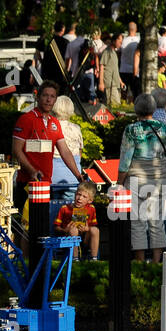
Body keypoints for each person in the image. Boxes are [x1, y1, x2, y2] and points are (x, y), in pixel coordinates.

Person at [118, 92, 166, 262]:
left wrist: (119, 183)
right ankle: (157, 263)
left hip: (137, 178)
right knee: (157, 222)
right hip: (160, 178)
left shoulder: (131, 129)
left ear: (136, 109)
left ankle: (140, 262)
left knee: (137, 222)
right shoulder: (165, 128)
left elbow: (125, 161)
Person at [49, 94, 85, 222]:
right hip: (73, 176)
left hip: (53, 176)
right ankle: (77, 236)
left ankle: (54, 235)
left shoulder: (50, 127)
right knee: (75, 207)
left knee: (54, 209)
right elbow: (79, 154)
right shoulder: (76, 128)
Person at [55, 179, 100, 259]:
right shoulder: (65, 208)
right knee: (73, 230)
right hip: (68, 239)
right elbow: (56, 227)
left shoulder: (91, 208)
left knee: (95, 230)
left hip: (85, 240)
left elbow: (93, 226)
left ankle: (94, 259)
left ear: (90, 200)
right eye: (78, 195)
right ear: (75, 194)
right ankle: (75, 259)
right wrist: (65, 230)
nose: (80, 198)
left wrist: (87, 229)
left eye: (84, 196)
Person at [99, 33, 124, 107]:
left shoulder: (114, 53)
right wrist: (101, 83)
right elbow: (101, 66)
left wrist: (121, 81)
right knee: (115, 104)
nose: (120, 44)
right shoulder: (107, 52)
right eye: (119, 42)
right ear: (114, 41)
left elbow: (115, 69)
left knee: (116, 106)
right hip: (109, 84)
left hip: (116, 83)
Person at [120, 21, 141, 99]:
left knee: (124, 90)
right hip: (135, 69)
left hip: (123, 68)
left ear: (128, 30)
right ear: (136, 29)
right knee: (135, 91)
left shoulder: (123, 41)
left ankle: (123, 103)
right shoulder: (138, 41)